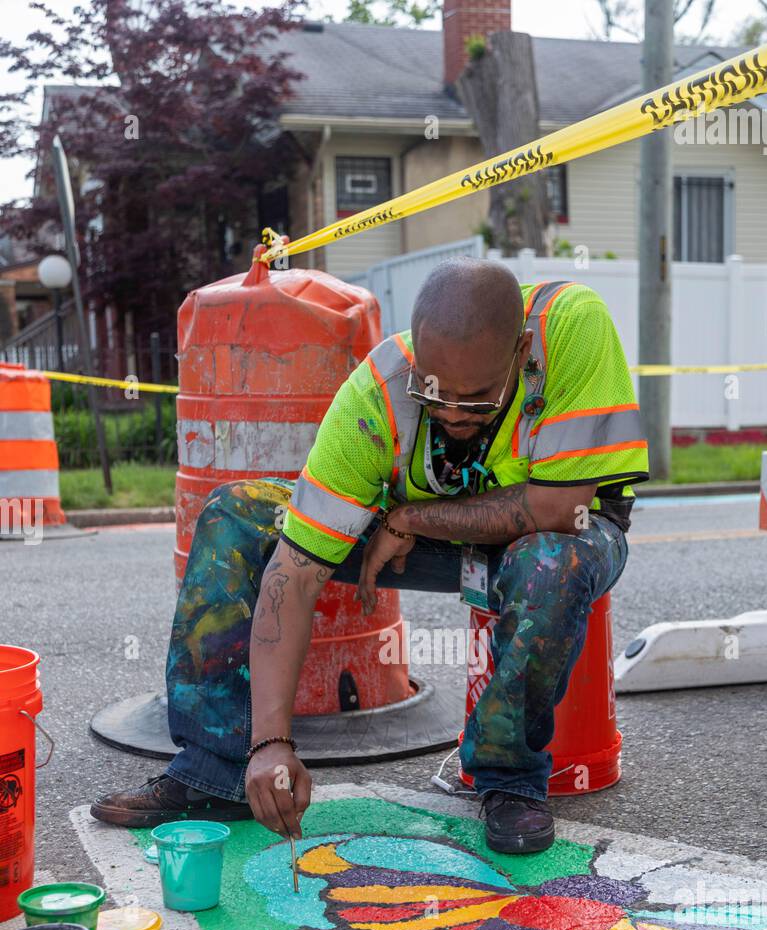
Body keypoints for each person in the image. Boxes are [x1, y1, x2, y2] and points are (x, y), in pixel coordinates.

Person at [91, 257, 648, 854]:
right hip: (427, 543)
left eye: (477, 397)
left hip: (562, 533)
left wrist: (411, 516)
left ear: (520, 351)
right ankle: (215, 769)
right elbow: (294, 575)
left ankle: (507, 777)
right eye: (435, 394)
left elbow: (559, 508)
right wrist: (270, 744)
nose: (454, 413)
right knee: (238, 512)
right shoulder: (378, 390)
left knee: (547, 563)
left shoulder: (571, 327)